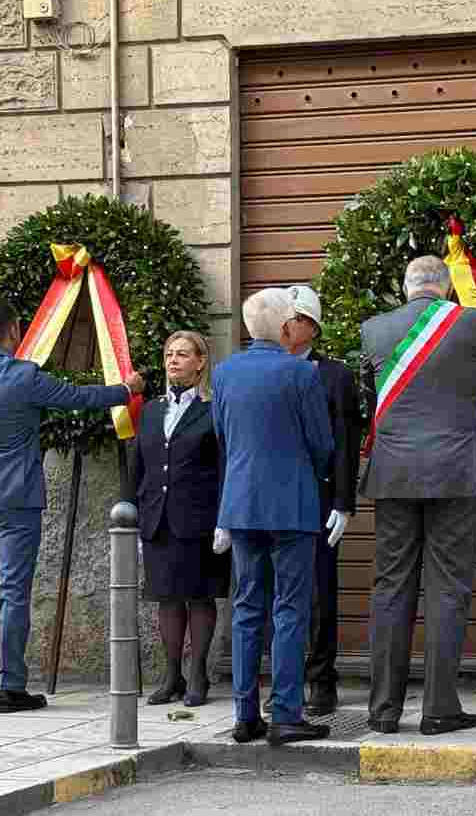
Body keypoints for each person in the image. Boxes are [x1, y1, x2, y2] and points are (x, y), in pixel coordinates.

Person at [360, 255, 476, 736]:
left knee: (391, 586)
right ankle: (438, 708)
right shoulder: (473, 323)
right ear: (445, 288)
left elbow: (366, 401)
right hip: (457, 472)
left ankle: (383, 711)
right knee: (447, 587)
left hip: (394, 472)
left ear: (407, 287)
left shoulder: (374, 329)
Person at [0, 298, 144, 714]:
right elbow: (78, 396)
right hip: (16, 497)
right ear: (14, 332)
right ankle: (11, 687)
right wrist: (126, 390)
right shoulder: (22, 377)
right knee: (13, 592)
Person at [214, 288, 334, 746]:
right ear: (286, 329)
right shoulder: (299, 372)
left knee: (246, 607)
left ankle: (245, 714)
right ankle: (285, 712)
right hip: (291, 504)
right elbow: (321, 443)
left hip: (241, 503)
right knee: (289, 608)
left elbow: (223, 435)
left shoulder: (225, 374)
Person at [132, 330, 229, 708]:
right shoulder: (153, 410)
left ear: (201, 362)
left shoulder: (211, 408)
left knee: (200, 596)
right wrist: (133, 512)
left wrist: (226, 518)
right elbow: (137, 464)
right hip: (158, 518)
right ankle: (172, 674)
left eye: (183, 354)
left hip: (200, 518)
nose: (174, 360)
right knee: (167, 597)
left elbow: (223, 465)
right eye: (170, 354)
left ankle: (199, 674)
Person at [283, 285, 361, 717]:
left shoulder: (334, 375)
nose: (283, 325)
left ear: (310, 327)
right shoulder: (266, 368)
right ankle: (284, 678)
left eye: (292, 318)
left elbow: (347, 443)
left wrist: (343, 502)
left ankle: (321, 680)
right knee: (277, 591)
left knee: (318, 594)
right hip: (274, 498)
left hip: (317, 497)